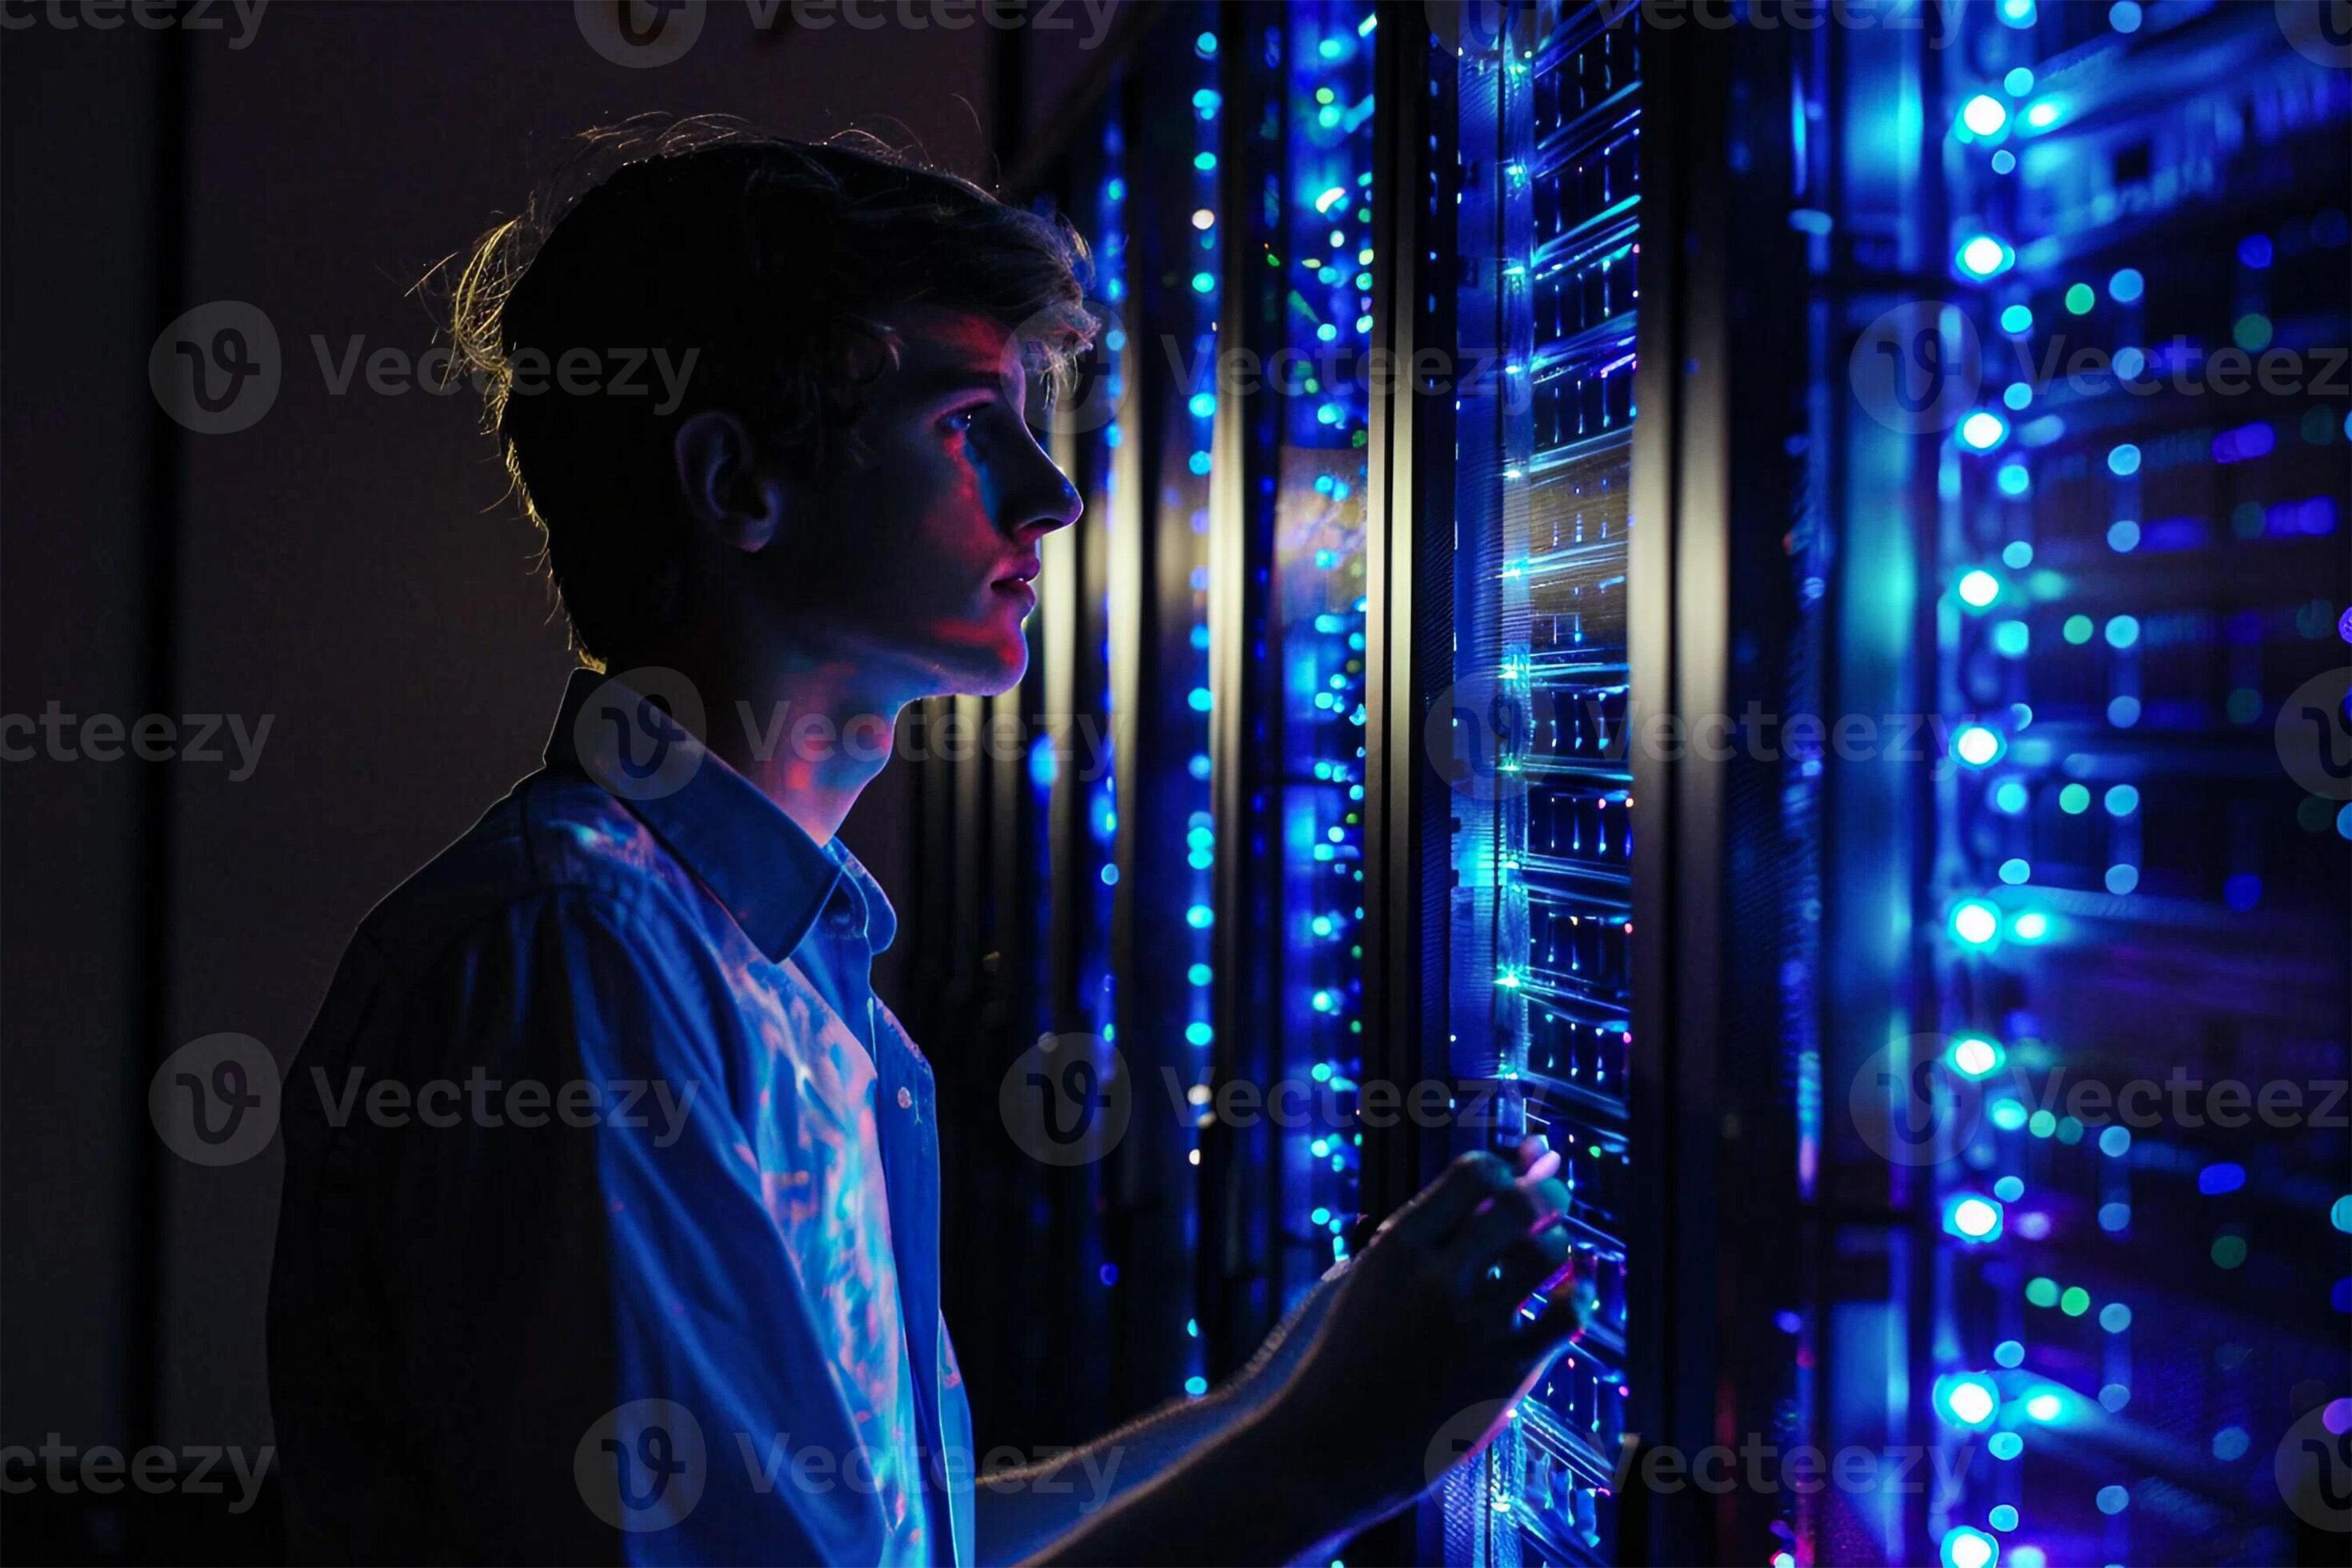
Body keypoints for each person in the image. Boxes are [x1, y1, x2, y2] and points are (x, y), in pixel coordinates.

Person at [266, 119, 1583, 1566]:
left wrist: (1277, 1398)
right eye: (967, 423)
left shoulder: (772, 961)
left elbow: (902, 1540)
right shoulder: (582, 964)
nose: (1052, 496)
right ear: (738, 487)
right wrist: (1322, 1457)